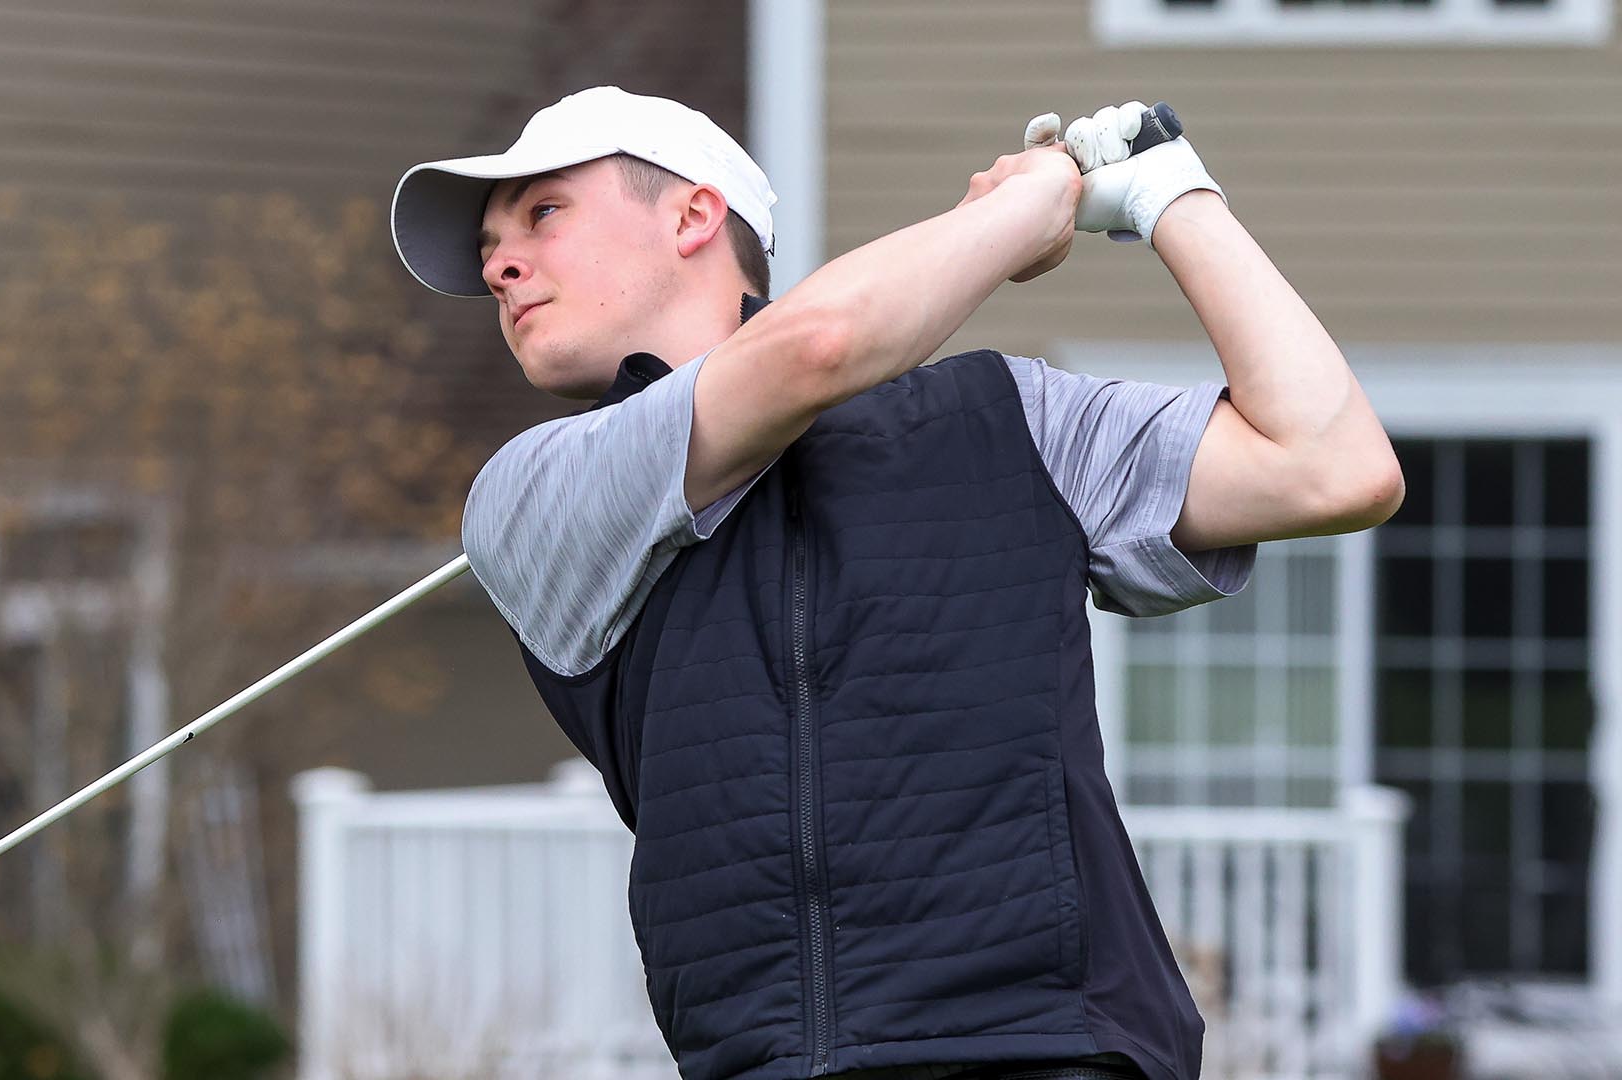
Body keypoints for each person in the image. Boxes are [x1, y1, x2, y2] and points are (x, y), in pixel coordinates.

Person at [389, 87, 1402, 1080]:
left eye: (542, 213)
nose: (501, 264)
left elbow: (1334, 466)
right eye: (487, 251)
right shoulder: (530, 495)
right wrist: (1033, 199)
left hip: (1054, 1048)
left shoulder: (1010, 421)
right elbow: (816, 350)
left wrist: (1170, 196)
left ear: (695, 214)